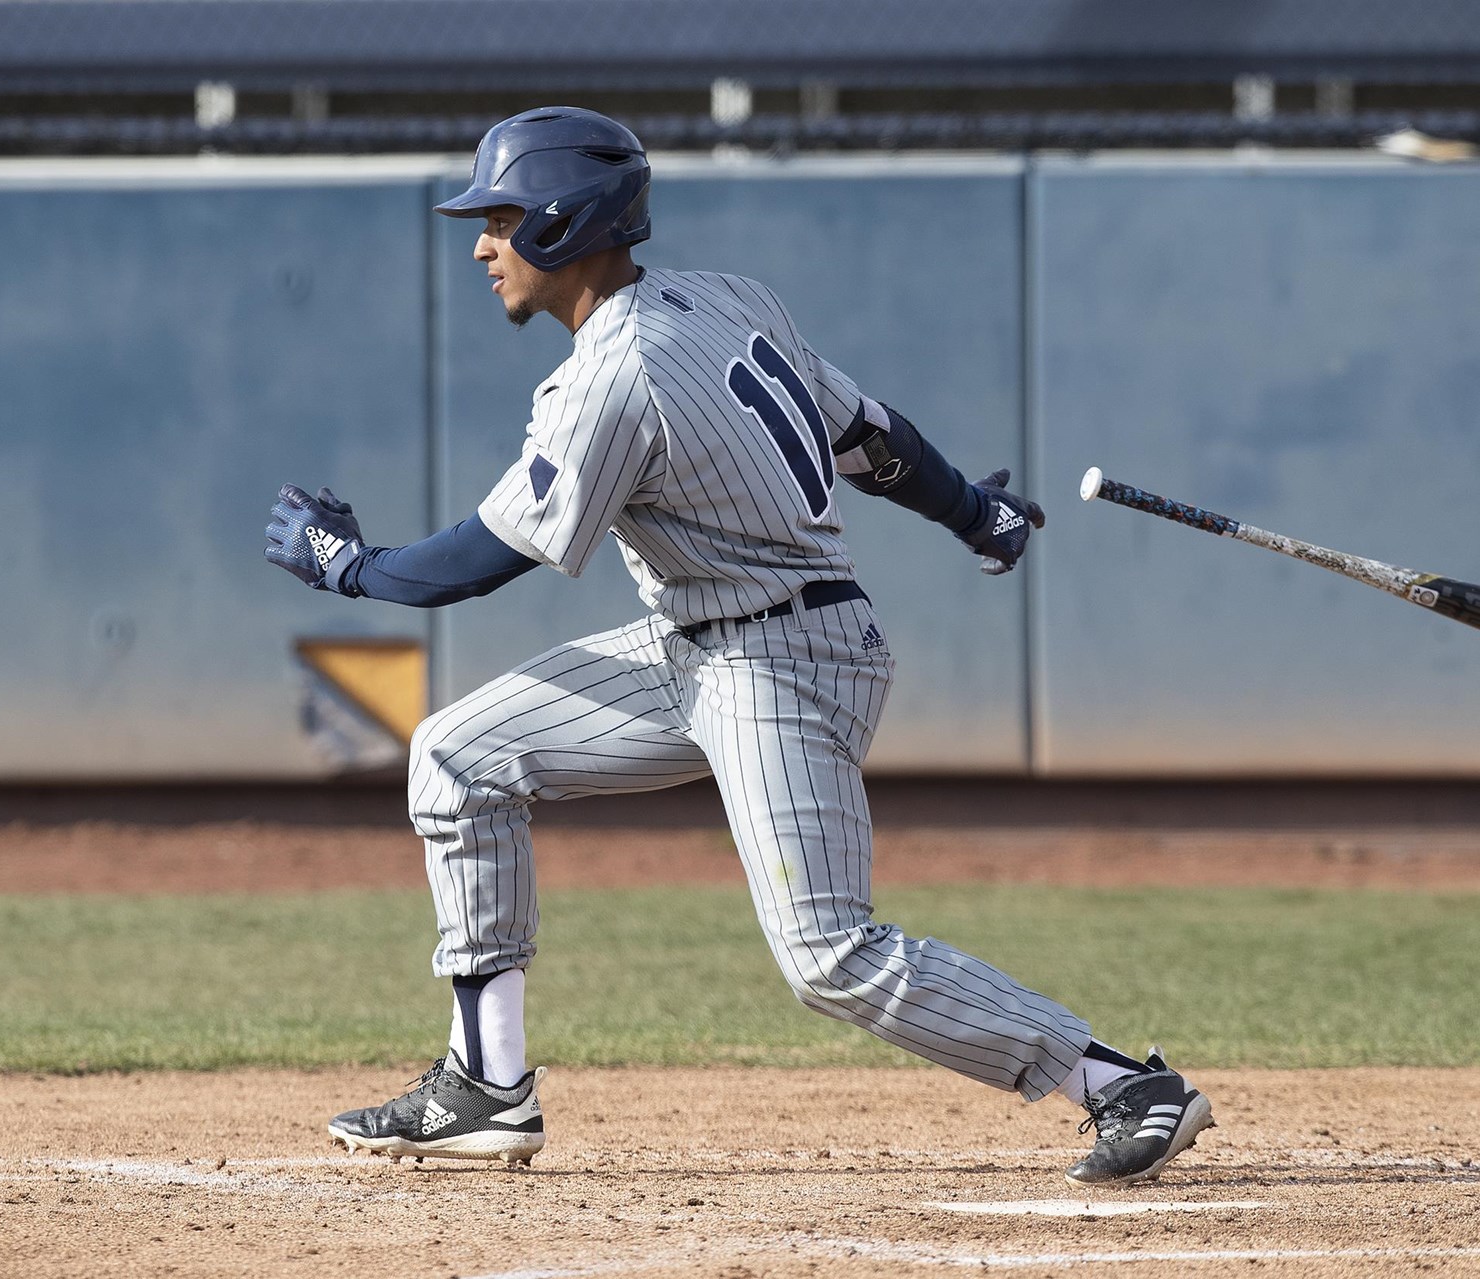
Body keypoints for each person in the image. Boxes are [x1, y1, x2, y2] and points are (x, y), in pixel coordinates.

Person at [263, 106, 1213, 1186]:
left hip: (781, 665)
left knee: (827, 955)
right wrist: (971, 515)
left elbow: (478, 563)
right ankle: (486, 1083)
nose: (482, 241)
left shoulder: (612, 376)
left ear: (564, 222)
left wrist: (346, 563)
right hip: (704, 643)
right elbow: (873, 437)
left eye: (502, 216)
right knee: (456, 758)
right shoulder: (726, 299)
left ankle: (1122, 1084)